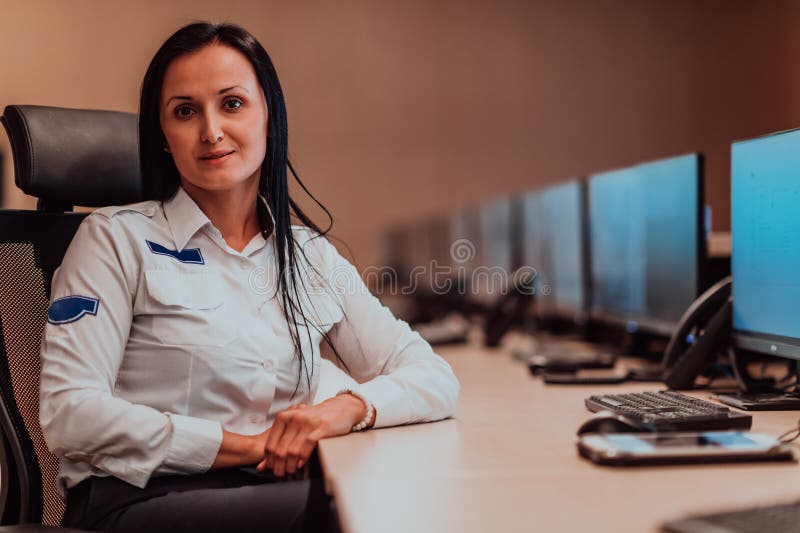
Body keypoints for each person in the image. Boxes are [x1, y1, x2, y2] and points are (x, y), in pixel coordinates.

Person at [39, 21, 460, 533]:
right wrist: (249, 446)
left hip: (270, 495)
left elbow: (433, 378)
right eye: (185, 111)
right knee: (350, 515)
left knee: (413, 490)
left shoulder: (308, 256)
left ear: (269, 119)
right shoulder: (113, 239)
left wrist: (347, 409)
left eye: (232, 104)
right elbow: (70, 414)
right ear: (165, 138)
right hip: (140, 500)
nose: (211, 131)